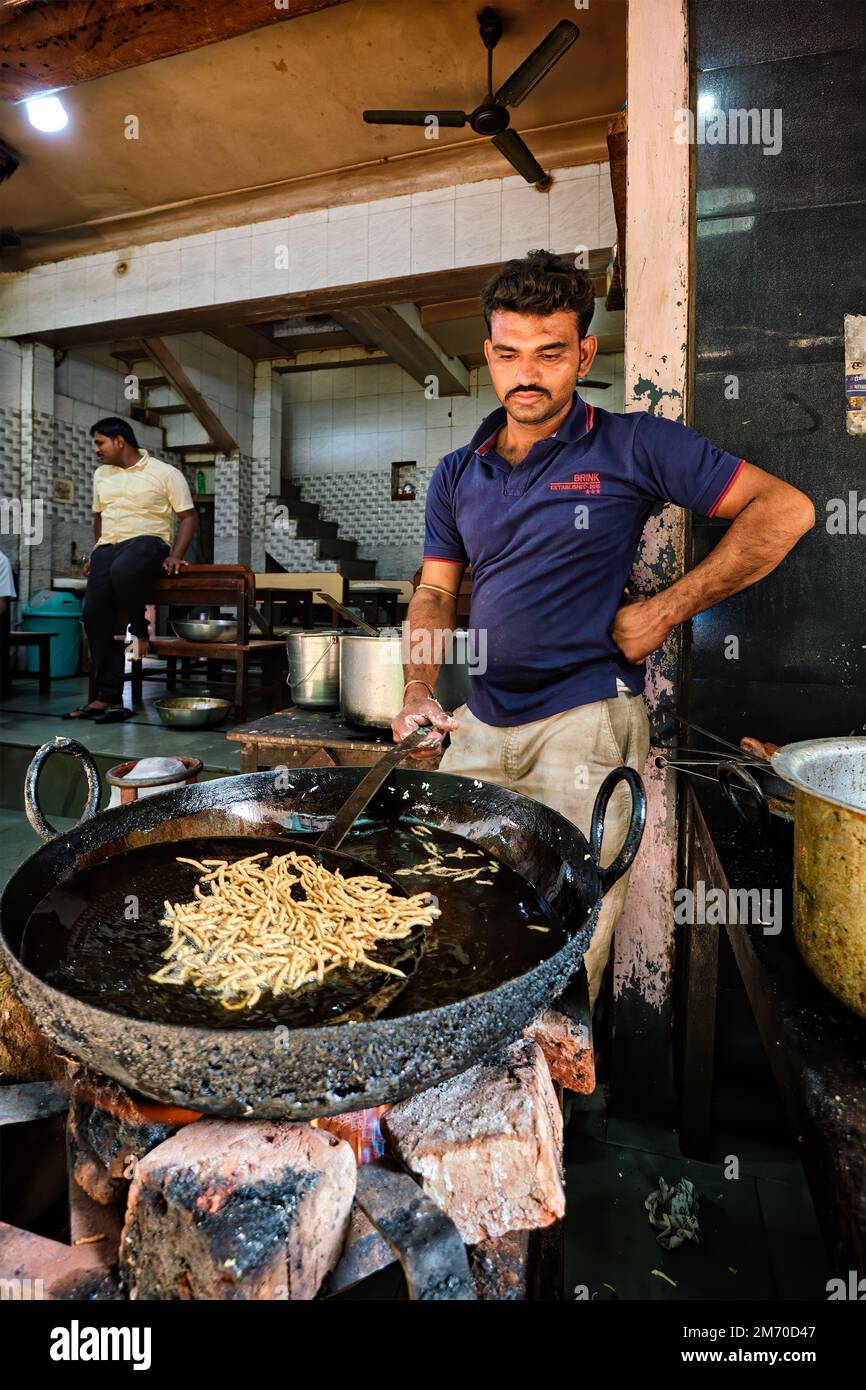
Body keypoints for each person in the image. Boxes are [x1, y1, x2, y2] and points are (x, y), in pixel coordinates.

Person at [392, 249, 815, 1009]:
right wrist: (419, 688)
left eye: (551, 353)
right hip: (477, 727)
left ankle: (547, 1107)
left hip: (583, 724)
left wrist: (664, 610)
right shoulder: (457, 473)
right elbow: (433, 591)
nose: (528, 373)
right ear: (488, 354)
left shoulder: (635, 444)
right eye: (510, 354)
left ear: (584, 353)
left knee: (555, 942)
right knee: (443, 913)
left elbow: (786, 509)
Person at [64, 418, 198, 723]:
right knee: (94, 617)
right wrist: (97, 549)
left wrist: (176, 555)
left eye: (100, 442)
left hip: (148, 543)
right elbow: (99, 515)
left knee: (124, 571)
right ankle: (107, 697)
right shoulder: (101, 475)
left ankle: (139, 625)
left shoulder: (165, 473)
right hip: (108, 547)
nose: (95, 449)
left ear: (119, 440)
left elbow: (189, 517)